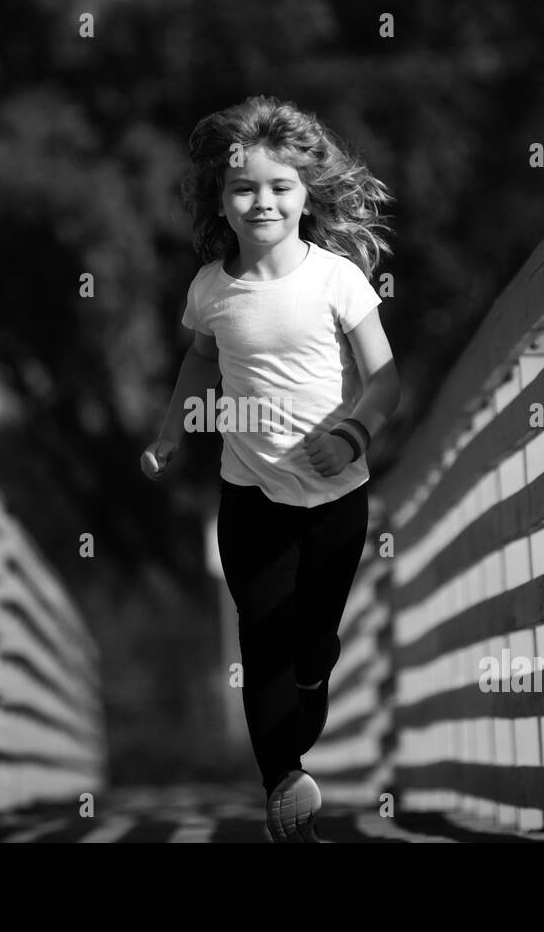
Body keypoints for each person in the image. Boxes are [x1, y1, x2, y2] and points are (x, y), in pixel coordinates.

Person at [141, 95, 400, 843]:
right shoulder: (211, 289)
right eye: (244, 187)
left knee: (311, 637)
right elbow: (199, 360)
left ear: (305, 192)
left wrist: (353, 435)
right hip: (248, 494)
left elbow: (386, 379)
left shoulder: (338, 280)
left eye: (280, 186)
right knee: (261, 635)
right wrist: (170, 433)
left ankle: (316, 674)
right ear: (219, 199)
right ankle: (283, 785)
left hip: (335, 497)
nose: (262, 201)